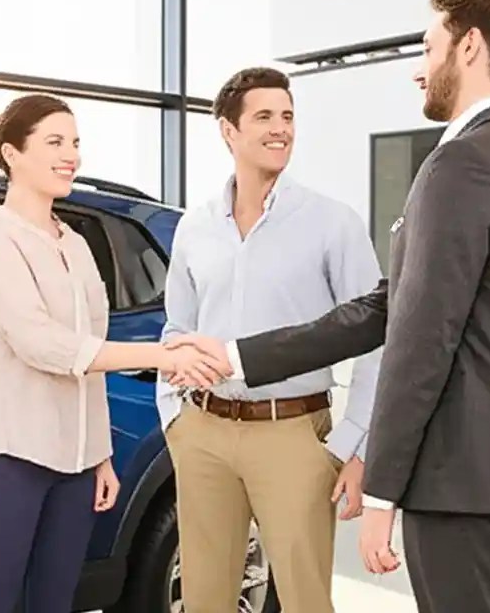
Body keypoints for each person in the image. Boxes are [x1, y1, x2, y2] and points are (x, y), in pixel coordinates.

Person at [168, 0, 490, 613]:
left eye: (427, 45)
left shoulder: (462, 164)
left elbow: (421, 339)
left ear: (467, 48)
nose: (419, 70)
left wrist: (380, 488)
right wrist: (241, 357)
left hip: (464, 476)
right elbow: (397, 307)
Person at [0, 93, 225, 613]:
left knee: (55, 604)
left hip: (74, 464)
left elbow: (88, 350)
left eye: (75, 143)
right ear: (12, 154)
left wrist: (99, 454)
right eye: (54, 142)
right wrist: (163, 357)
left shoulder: (74, 242)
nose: (71, 155)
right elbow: (43, 345)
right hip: (5, 457)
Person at [154, 67, 383, 613]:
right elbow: (176, 329)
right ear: (228, 131)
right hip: (202, 432)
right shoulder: (195, 226)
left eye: (287, 116)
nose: (280, 128)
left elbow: (377, 335)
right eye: (264, 117)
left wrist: (354, 443)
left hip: (294, 435)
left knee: (305, 601)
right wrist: (175, 418)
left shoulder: (333, 223)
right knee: (204, 599)